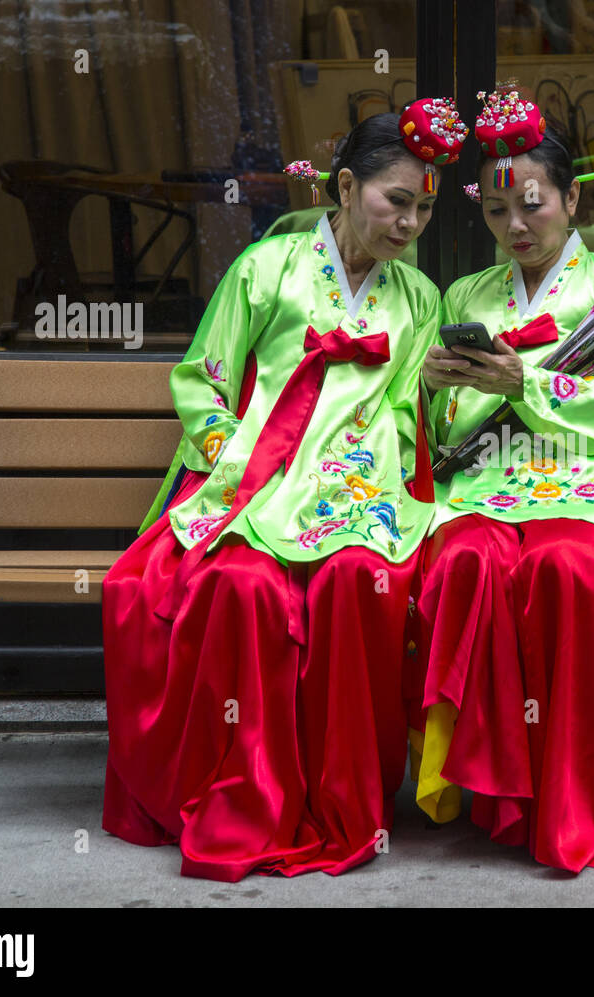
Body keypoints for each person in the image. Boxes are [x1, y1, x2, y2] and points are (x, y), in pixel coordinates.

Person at [101, 98, 468, 882]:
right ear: (343, 187)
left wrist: (424, 423)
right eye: (395, 201)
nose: (409, 223)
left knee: (354, 581)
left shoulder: (420, 300)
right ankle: (248, 799)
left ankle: (343, 805)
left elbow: (408, 418)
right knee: (239, 585)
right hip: (257, 475)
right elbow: (205, 380)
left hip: (356, 486)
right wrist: (227, 459)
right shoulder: (265, 269)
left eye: (425, 209)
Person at [412, 87, 594, 873]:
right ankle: (480, 789)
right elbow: (443, 424)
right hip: (486, 478)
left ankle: (569, 797)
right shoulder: (467, 294)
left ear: (571, 197)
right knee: (462, 563)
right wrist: (438, 383)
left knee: (572, 571)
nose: (515, 226)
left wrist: (526, 383)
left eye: (531, 205)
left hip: (586, 472)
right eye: (495, 212)